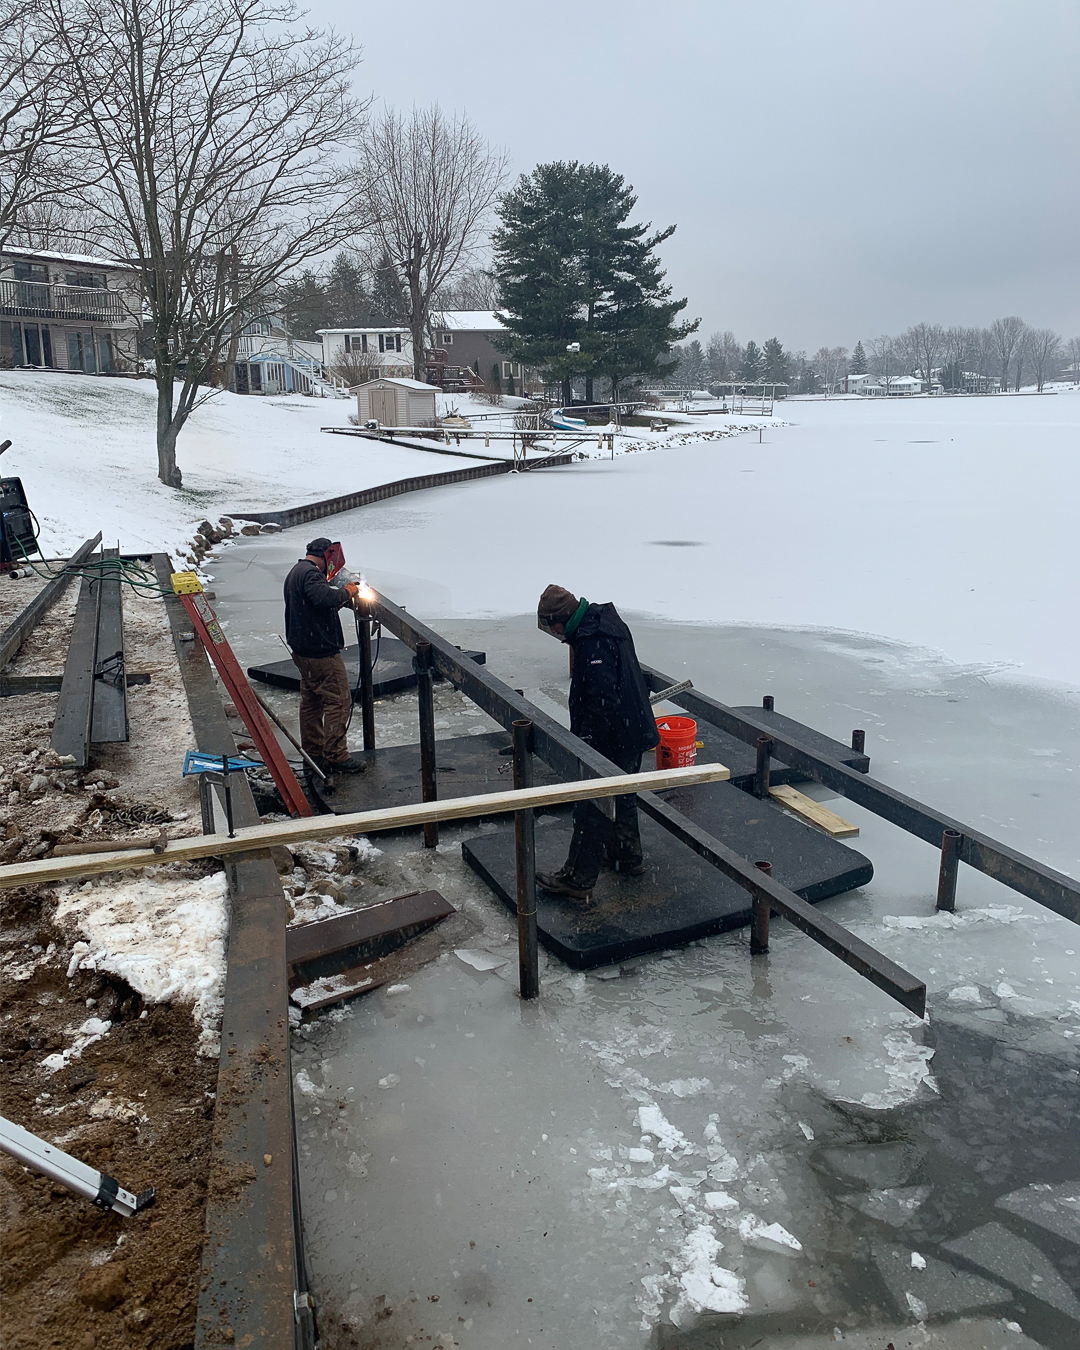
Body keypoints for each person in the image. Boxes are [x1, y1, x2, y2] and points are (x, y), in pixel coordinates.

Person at [535, 584, 659, 899]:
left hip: (616, 736)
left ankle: (577, 879)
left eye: (551, 629)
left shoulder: (593, 644)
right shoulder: (605, 622)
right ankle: (626, 855)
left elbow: (603, 701)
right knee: (624, 795)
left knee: (593, 805)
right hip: (635, 729)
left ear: (559, 623)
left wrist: (588, 745)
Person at [284, 538, 366, 775]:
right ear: (324, 556)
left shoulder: (296, 571)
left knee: (312, 702)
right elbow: (324, 598)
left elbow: (314, 604)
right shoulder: (311, 574)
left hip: (304, 651)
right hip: (320, 652)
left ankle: (314, 753)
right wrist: (347, 591)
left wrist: (338, 601)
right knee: (338, 701)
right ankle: (336, 756)